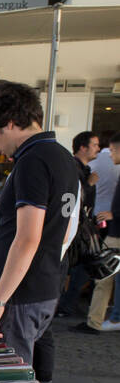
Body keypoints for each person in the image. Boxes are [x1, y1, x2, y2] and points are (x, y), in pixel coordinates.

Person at [0, 81, 80, 382]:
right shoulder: (63, 157)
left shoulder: (33, 161)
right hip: (41, 286)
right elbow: (58, 232)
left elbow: (28, 238)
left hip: (20, 296)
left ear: (11, 122)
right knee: (18, 382)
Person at [57, 130, 101, 318]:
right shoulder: (73, 169)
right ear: (83, 147)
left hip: (81, 226)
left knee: (77, 266)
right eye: (95, 145)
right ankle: (64, 304)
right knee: (76, 264)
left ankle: (65, 303)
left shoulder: (85, 170)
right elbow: (73, 200)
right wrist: (89, 185)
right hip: (76, 228)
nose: (98, 149)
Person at [84, 132, 120, 333]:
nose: (109, 153)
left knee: (104, 276)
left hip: (116, 234)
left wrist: (114, 214)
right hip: (114, 232)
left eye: (113, 150)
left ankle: (96, 322)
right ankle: (97, 320)